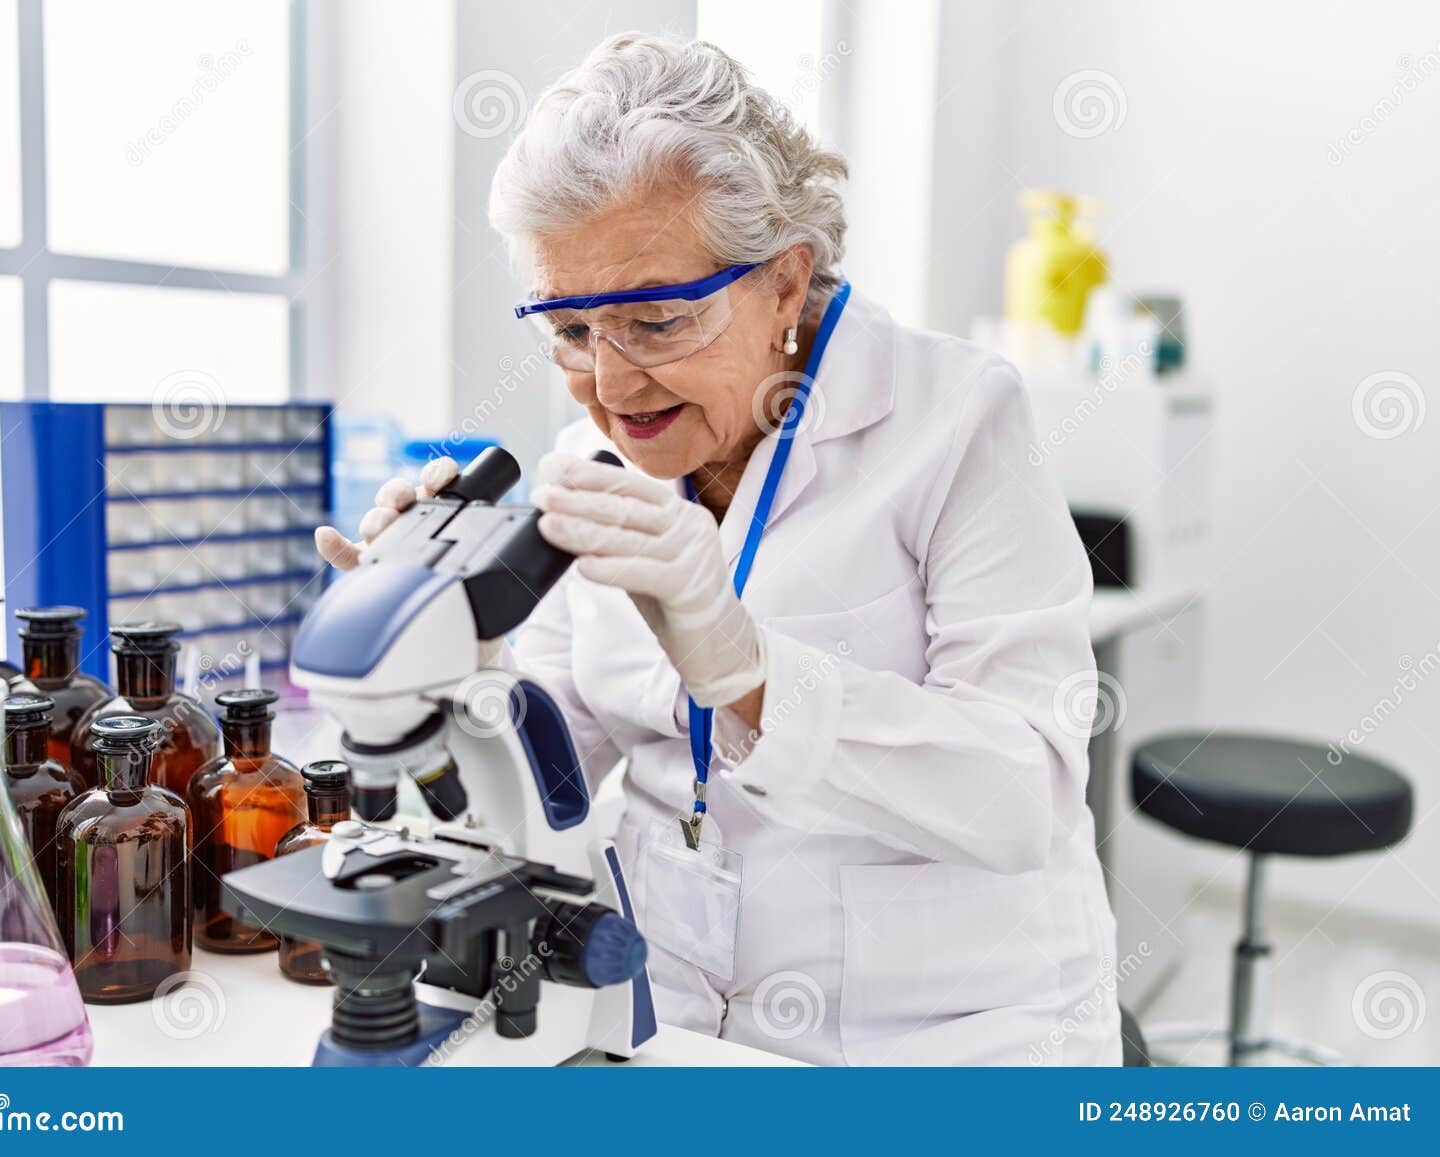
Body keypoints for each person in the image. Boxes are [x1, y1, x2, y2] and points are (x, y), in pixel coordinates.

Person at [317, 33, 1119, 1065]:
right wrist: (448, 665)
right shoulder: (588, 471)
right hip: (681, 1026)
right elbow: (553, 779)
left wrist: (747, 673)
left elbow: (1026, 794)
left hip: (942, 1042)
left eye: (654, 320)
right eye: (568, 330)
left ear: (784, 283)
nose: (609, 387)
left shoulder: (954, 421)